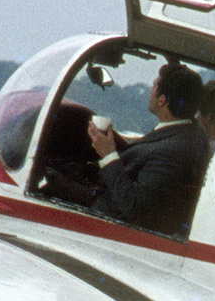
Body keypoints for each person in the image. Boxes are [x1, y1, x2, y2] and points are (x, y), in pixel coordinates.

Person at [87, 61, 208, 236]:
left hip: (103, 219)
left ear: (162, 100)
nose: (150, 91)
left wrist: (108, 155)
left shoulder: (171, 153)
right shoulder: (190, 131)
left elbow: (134, 207)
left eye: (154, 86)